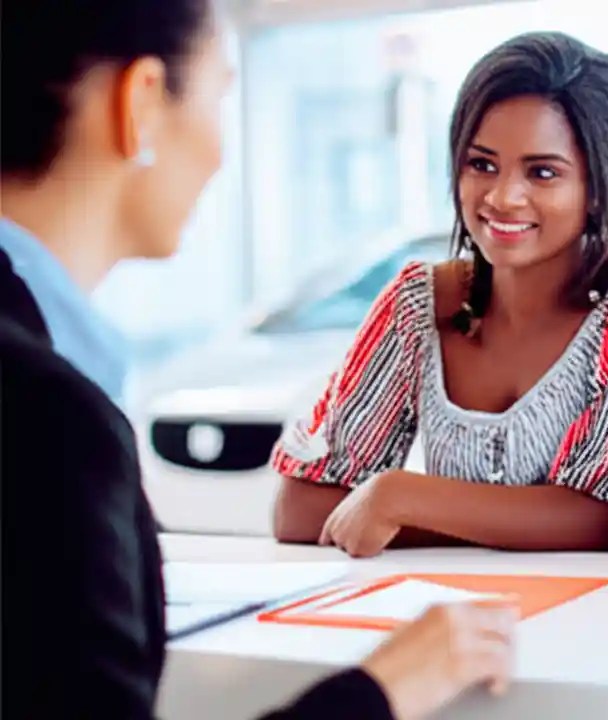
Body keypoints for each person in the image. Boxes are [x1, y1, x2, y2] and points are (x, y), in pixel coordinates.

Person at [0, 2, 516, 718]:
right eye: (220, 97)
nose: (221, 151)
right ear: (141, 103)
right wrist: (381, 692)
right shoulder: (47, 420)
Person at [271, 32, 608, 558]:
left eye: (542, 173)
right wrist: (417, 509)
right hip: (459, 621)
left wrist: (399, 497)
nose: (502, 197)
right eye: (482, 164)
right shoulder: (418, 305)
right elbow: (299, 509)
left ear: (600, 188)